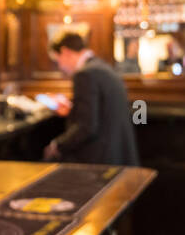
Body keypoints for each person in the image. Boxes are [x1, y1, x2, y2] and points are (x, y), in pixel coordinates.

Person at [43, 33, 139, 166]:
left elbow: (86, 126)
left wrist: (56, 145)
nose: (60, 66)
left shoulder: (85, 74)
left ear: (65, 52)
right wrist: (73, 110)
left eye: (57, 60)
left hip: (100, 159)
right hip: (117, 154)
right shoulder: (101, 67)